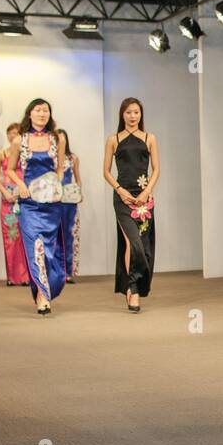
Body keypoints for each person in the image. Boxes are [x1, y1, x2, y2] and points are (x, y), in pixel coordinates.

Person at [6, 99, 67, 315]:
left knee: (50, 251)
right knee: (35, 249)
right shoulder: (19, 141)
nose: (42, 114)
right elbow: (11, 170)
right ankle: (42, 296)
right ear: (29, 114)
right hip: (29, 203)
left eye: (46, 110)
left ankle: (48, 288)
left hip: (51, 203)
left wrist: (56, 182)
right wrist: (21, 185)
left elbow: (60, 168)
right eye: (38, 110)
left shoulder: (56, 139)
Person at [102, 98, 158, 312]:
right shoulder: (113, 139)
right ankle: (132, 289)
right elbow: (106, 171)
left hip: (144, 200)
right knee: (132, 243)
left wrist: (146, 192)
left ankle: (135, 285)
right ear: (122, 115)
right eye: (128, 112)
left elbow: (157, 170)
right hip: (123, 199)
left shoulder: (149, 138)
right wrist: (120, 190)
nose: (133, 116)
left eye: (136, 112)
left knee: (143, 247)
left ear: (140, 114)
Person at [0, 123, 30, 287]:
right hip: (8, 199)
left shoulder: (28, 153)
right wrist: (5, 193)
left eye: (17, 133)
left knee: (26, 237)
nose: (13, 135)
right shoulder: (1, 154)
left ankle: (27, 276)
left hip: (24, 197)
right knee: (11, 238)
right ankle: (13, 276)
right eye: (10, 133)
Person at [56, 129, 83, 283]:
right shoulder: (51, 158)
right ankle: (56, 271)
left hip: (69, 200)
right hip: (54, 199)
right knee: (54, 236)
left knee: (69, 234)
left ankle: (68, 271)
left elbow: (78, 178)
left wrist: (79, 192)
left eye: (62, 138)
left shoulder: (73, 158)